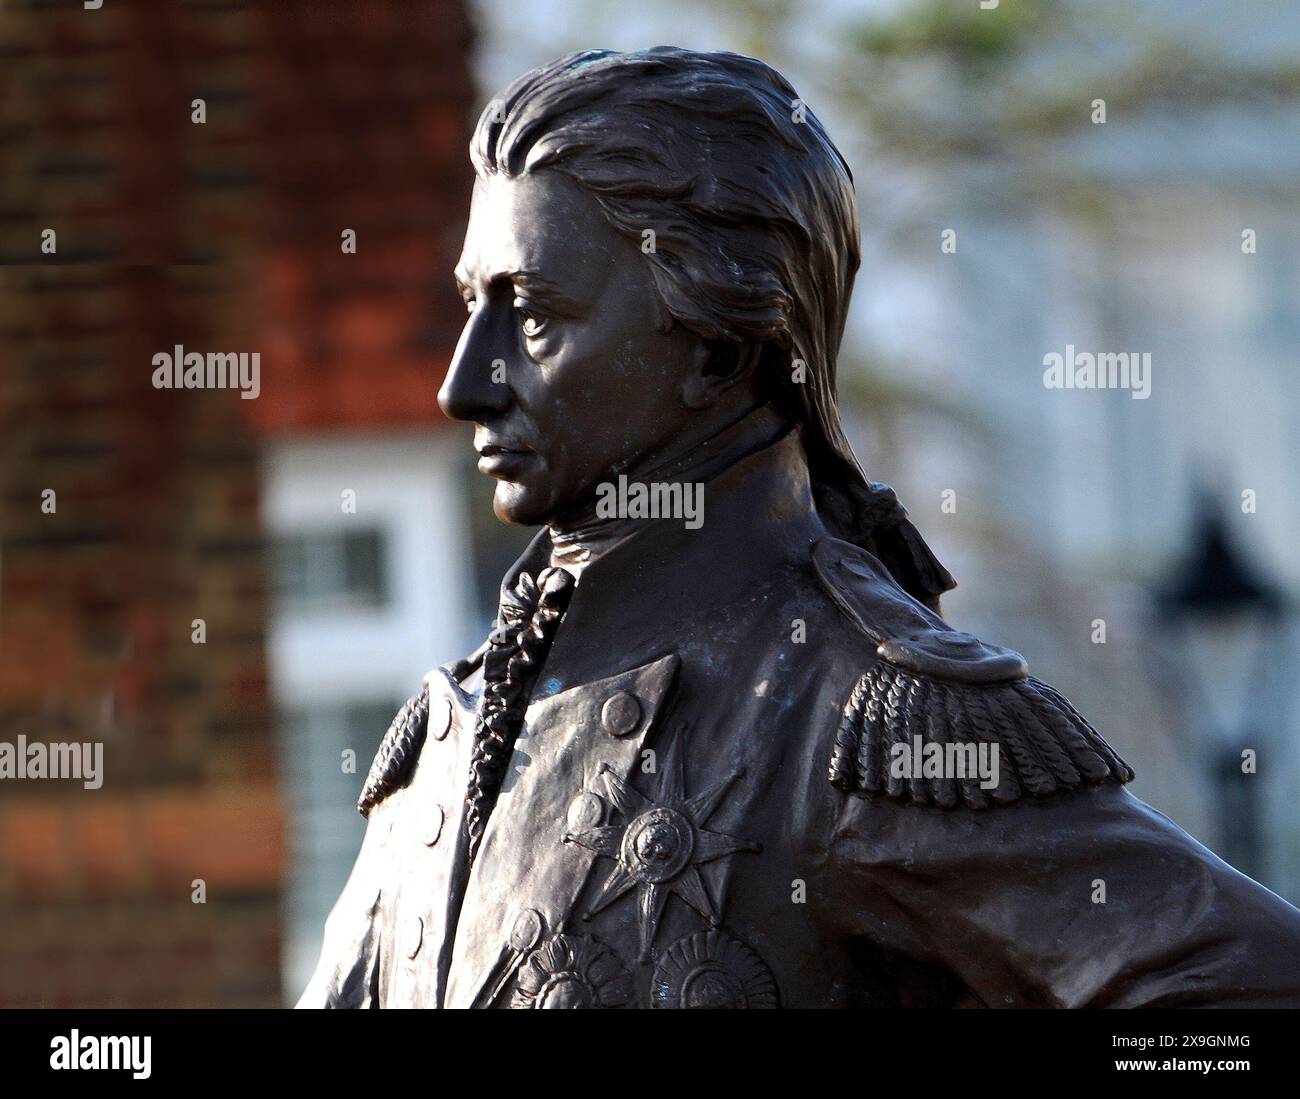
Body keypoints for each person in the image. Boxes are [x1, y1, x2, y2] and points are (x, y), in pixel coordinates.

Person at [298, 47, 1300, 1009]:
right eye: (476, 303)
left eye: (535, 317)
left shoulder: (865, 712)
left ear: (719, 350)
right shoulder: (449, 735)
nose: (463, 385)